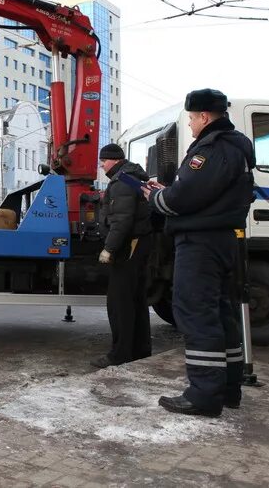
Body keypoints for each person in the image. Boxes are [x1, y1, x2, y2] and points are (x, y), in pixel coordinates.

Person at [144, 88, 255, 418]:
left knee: (196, 312)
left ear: (204, 116)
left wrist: (155, 198)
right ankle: (228, 389)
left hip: (200, 242)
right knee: (221, 312)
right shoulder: (235, 147)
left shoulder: (211, 149)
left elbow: (182, 199)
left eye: (192, 118)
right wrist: (174, 191)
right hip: (221, 239)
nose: (191, 125)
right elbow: (201, 191)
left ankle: (204, 395)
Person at [92, 143, 154, 369]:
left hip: (128, 247)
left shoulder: (122, 181)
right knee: (136, 300)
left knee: (120, 303)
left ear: (115, 159)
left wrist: (109, 248)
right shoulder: (130, 177)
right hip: (136, 245)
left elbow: (122, 219)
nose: (101, 165)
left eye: (103, 161)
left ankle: (119, 354)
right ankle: (140, 349)